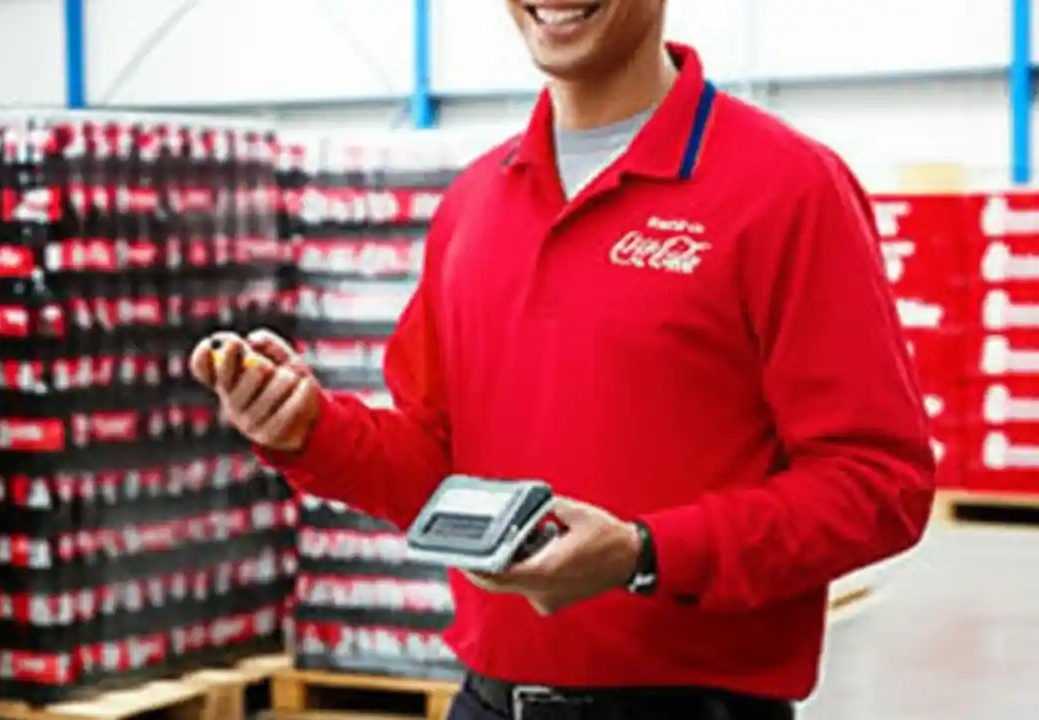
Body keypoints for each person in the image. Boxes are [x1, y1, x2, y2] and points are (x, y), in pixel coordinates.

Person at [191, 0, 937, 717]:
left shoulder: (788, 188)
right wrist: (309, 431)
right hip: (487, 702)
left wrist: (646, 554)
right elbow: (439, 470)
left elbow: (878, 484)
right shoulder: (475, 204)